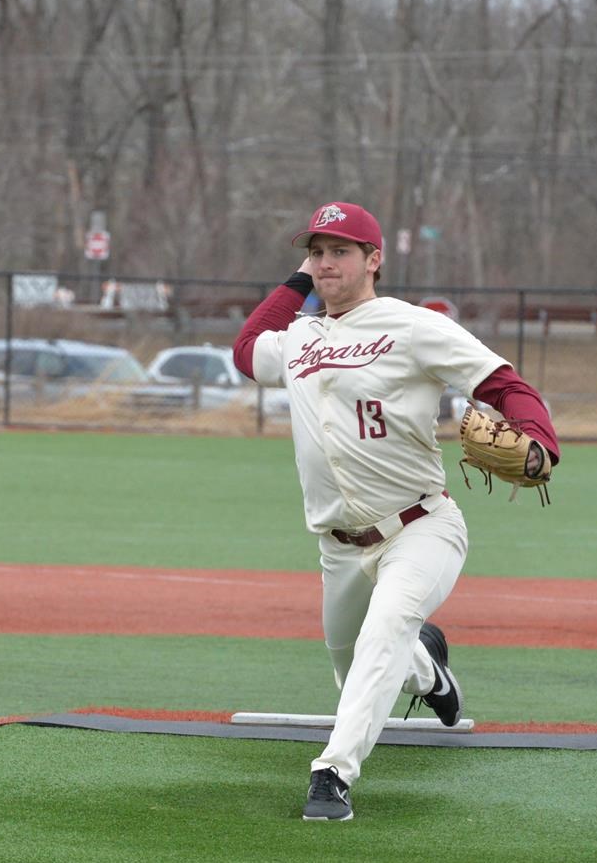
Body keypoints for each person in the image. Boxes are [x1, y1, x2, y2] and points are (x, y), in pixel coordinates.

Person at [233, 200, 561, 822]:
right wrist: (301, 280)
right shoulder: (300, 336)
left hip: (420, 529)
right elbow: (247, 350)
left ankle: (332, 774)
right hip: (339, 547)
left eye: (341, 251)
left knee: (383, 632)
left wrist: (539, 438)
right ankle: (432, 674)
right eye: (319, 250)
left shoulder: (412, 327)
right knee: (358, 661)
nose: (328, 262)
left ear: (374, 260)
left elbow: (501, 382)